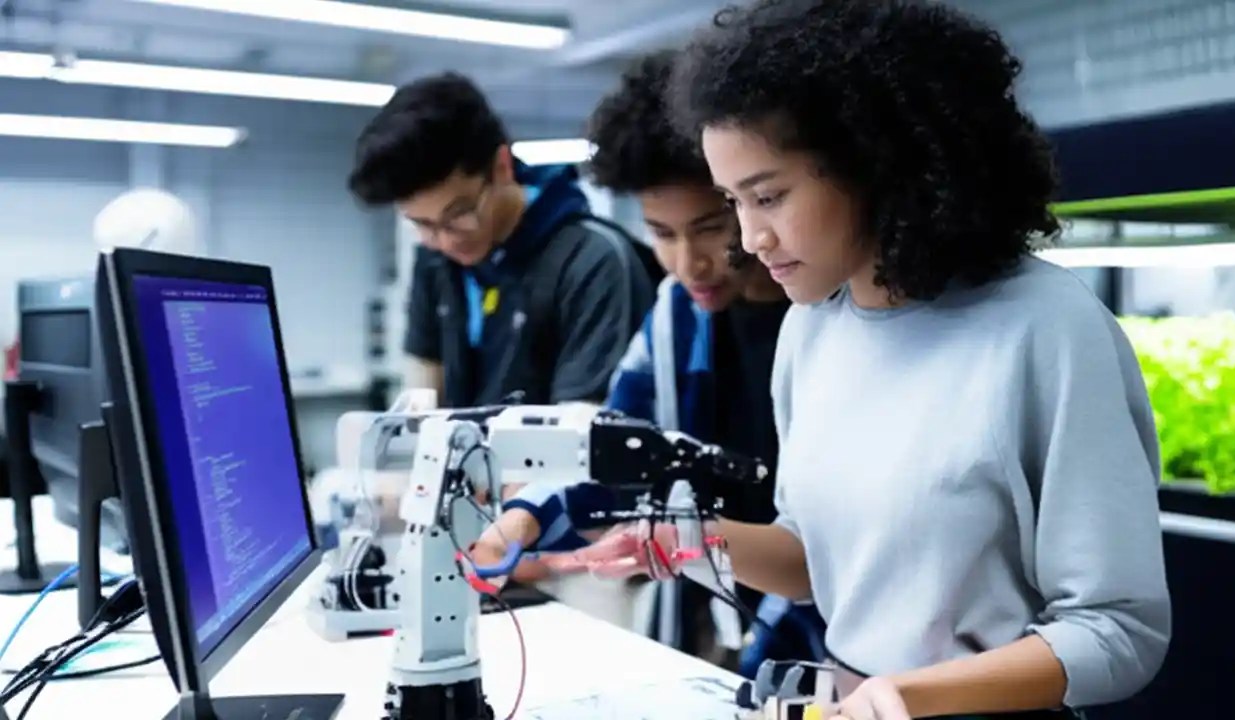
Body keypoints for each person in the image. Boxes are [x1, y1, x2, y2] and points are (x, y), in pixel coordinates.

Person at [560, 2, 1172, 719]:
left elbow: (1121, 631)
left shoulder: (1049, 331)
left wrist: (911, 693)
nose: (749, 238)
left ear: (876, 165)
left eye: (769, 196)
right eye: (734, 201)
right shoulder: (811, 331)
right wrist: (686, 541)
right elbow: (810, 562)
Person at [472, 50, 826, 672]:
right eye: (662, 233)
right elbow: (616, 446)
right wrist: (524, 518)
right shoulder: (676, 315)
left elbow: (831, 547)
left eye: (710, 227)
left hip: (832, 639)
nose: (688, 263)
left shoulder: (827, 318)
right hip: (719, 610)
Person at [348, 72, 659, 408]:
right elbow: (423, 389)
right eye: (422, 224)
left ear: (501, 166)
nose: (445, 241)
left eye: (459, 215)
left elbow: (585, 431)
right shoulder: (434, 255)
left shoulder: (593, 262)